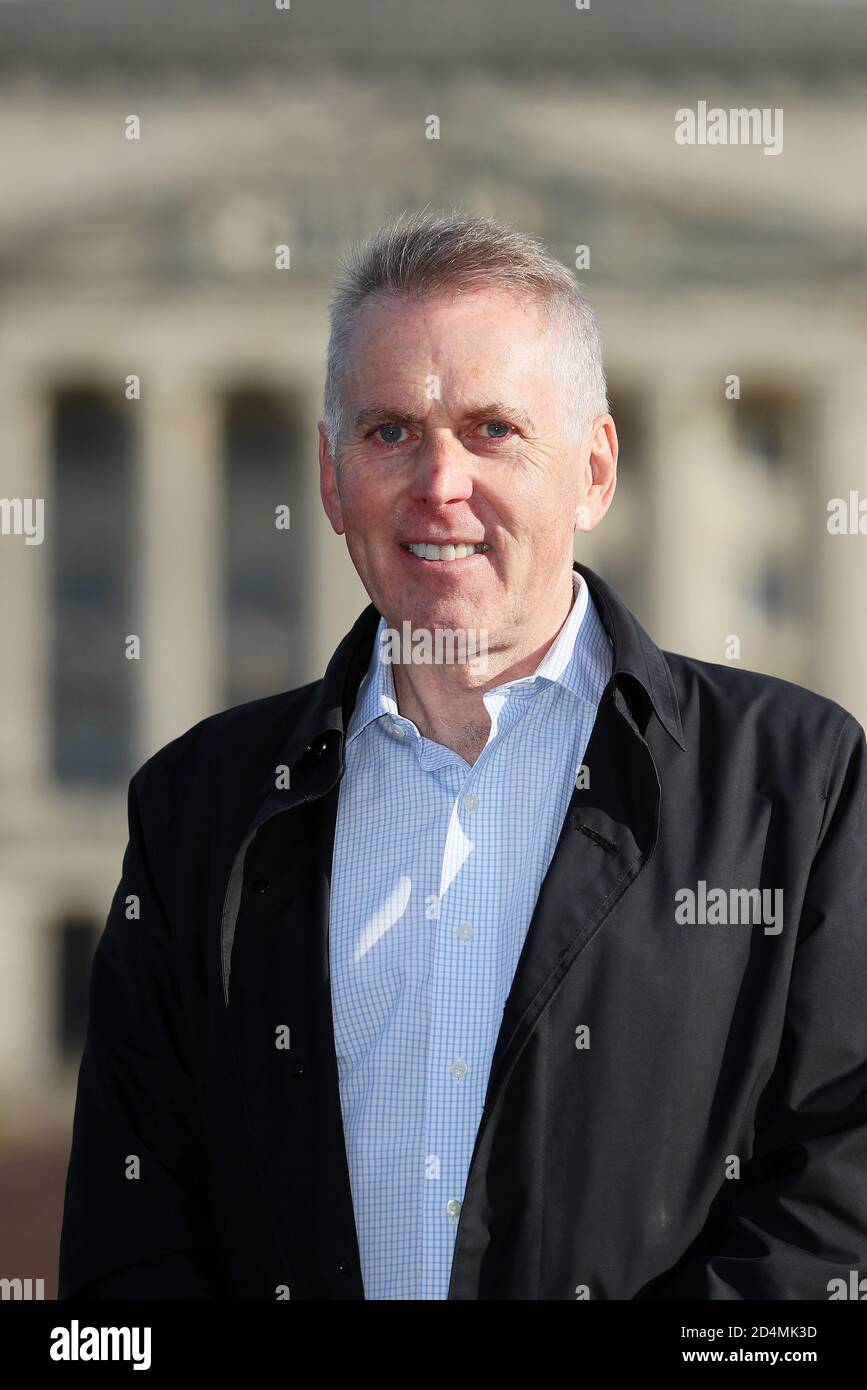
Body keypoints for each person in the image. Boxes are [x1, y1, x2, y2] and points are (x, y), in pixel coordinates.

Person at [59, 210, 867, 1300]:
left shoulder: (797, 785)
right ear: (333, 479)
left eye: (493, 429)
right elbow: (128, 1239)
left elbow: (837, 1199)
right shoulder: (197, 807)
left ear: (592, 470)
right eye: (390, 431)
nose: (439, 483)